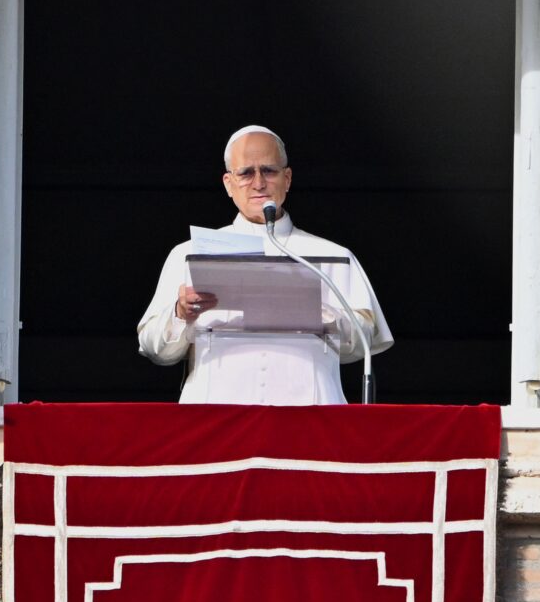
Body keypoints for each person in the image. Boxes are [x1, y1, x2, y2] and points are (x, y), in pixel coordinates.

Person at [137, 125, 392, 405]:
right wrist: (180, 313)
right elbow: (153, 348)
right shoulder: (188, 254)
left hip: (310, 418)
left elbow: (365, 339)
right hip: (216, 419)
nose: (258, 183)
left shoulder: (332, 255)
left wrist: (320, 314)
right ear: (228, 183)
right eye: (245, 173)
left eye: (269, 171)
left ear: (287, 179)